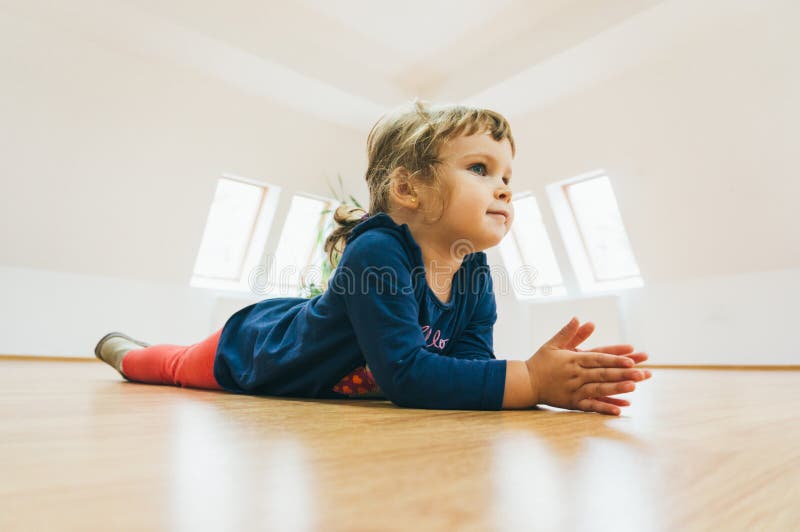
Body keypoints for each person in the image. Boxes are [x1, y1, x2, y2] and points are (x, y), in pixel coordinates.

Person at [95, 100, 651, 415]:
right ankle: (126, 352)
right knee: (169, 369)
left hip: (313, 351)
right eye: (480, 170)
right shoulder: (379, 253)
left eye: (508, 176)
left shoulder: (474, 271)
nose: (504, 188)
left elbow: (465, 363)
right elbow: (410, 378)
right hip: (253, 349)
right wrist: (530, 379)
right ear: (409, 189)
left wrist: (538, 379)